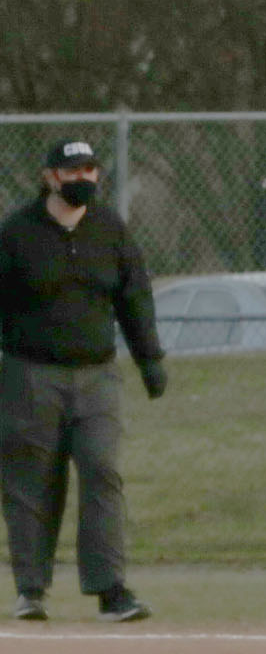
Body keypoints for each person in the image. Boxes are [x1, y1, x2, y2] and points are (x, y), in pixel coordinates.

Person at [0, 139, 165, 622]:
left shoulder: (110, 230)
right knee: (32, 482)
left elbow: (134, 297)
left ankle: (110, 589)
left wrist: (150, 359)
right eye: (73, 171)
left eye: (91, 169)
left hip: (97, 375)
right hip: (30, 375)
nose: (84, 179)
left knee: (102, 470)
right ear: (50, 177)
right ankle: (31, 589)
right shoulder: (16, 233)